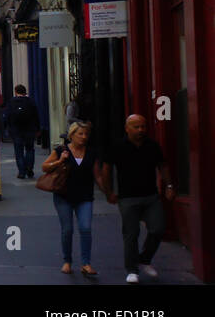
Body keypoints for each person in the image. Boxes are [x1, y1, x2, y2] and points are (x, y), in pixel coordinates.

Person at [101, 115, 176, 284]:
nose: (141, 130)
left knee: (158, 228)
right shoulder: (118, 146)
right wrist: (109, 192)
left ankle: (145, 259)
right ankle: (132, 269)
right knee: (131, 233)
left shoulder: (152, 146)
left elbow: (162, 165)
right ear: (127, 128)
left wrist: (169, 185)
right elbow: (106, 168)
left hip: (151, 195)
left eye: (143, 126)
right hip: (127, 197)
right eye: (136, 127)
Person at [41, 120, 107, 277]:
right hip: (63, 196)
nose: (84, 137)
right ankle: (67, 261)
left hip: (85, 197)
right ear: (72, 135)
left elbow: (97, 175)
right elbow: (45, 167)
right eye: (80, 134)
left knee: (85, 228)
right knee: (67, 230)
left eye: (86, 134)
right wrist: (60, 161)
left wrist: (108, 192)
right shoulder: (61, 150)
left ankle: (86, 263)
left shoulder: (91, 153)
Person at [2, 85, 40, 178]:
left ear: (16, 92)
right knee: (30, 149)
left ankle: (21, 172)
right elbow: (36, 116)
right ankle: (29, 169)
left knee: (19, 151)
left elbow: (7, 117)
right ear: (25, 91)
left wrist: (6, 128)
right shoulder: (31, 101)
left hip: (16, 130)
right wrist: (38, 129)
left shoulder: (11, 102)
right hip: (29, 129)